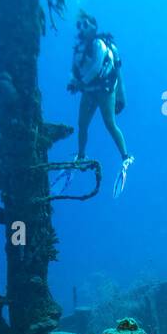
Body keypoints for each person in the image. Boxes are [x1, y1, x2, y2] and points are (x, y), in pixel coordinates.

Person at [67, 11, 134, 197]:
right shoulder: (79, 49)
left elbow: (97, 66)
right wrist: (72, 81)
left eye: (85, 24)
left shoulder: (99, 45)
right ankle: (81, 155)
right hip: (89, 92)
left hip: (105, 91)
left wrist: (80, 83)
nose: (82, 28)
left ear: (93, 26)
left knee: (110, 123)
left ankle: (125, 157)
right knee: (82, 124)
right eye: (79, 25)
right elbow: (75, 69)